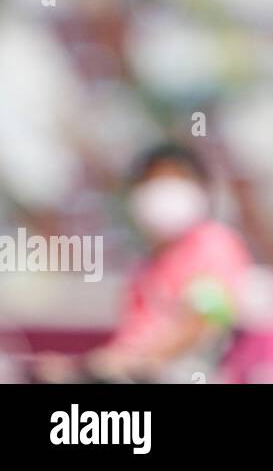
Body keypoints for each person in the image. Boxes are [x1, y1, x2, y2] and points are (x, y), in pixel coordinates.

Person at [33, 142, 252, 383]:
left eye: (177, 179)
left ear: (202, 189)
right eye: (154, 181)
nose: (165, 192)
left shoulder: (214, 244)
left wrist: (137, 360)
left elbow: (203, 320)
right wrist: (78, 367)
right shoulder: (146, 265)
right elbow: (126, 348)